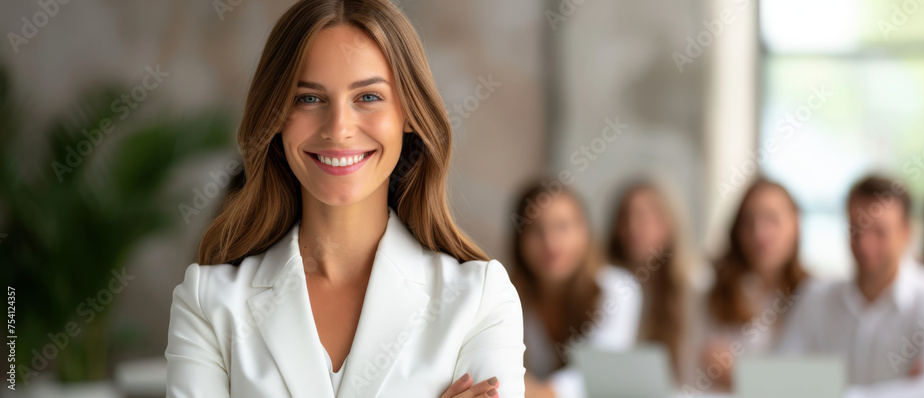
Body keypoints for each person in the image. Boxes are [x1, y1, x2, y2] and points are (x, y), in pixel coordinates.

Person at [164, 1, 525, 397]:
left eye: (368, 97)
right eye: (308, 98)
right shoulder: (208, 302)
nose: (338, 129)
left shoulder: (480, 300)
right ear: (275, 117)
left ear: (408, 113)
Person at [779, 175, 924, 398]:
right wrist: (904, 390)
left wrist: (827, 388)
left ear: (906, 232)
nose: (865, 245)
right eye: (856, 230)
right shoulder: (816, 297)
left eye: (880, 232)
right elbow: (779, 380)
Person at [510, 182, 642, 398]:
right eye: (535, 229)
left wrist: (542, 392)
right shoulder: (510, 297)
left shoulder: (618, 288)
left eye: (562, 227)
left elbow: (603, 372)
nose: (550, 242)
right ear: (519, 241)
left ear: (585, 232)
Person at [693, 178, 811, 392]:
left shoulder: (814, 295)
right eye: (748, 222)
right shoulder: (714, 292)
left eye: (772, 219)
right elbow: (703, 366)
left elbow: (813, 381)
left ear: (795, 224)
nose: (759, 233)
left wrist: (740, 375)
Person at [606, 180, 699, 384]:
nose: (634, 226)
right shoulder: (607, 285)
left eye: (647, 216)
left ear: (670, 222)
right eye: (626, 216)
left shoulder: (694, 288)